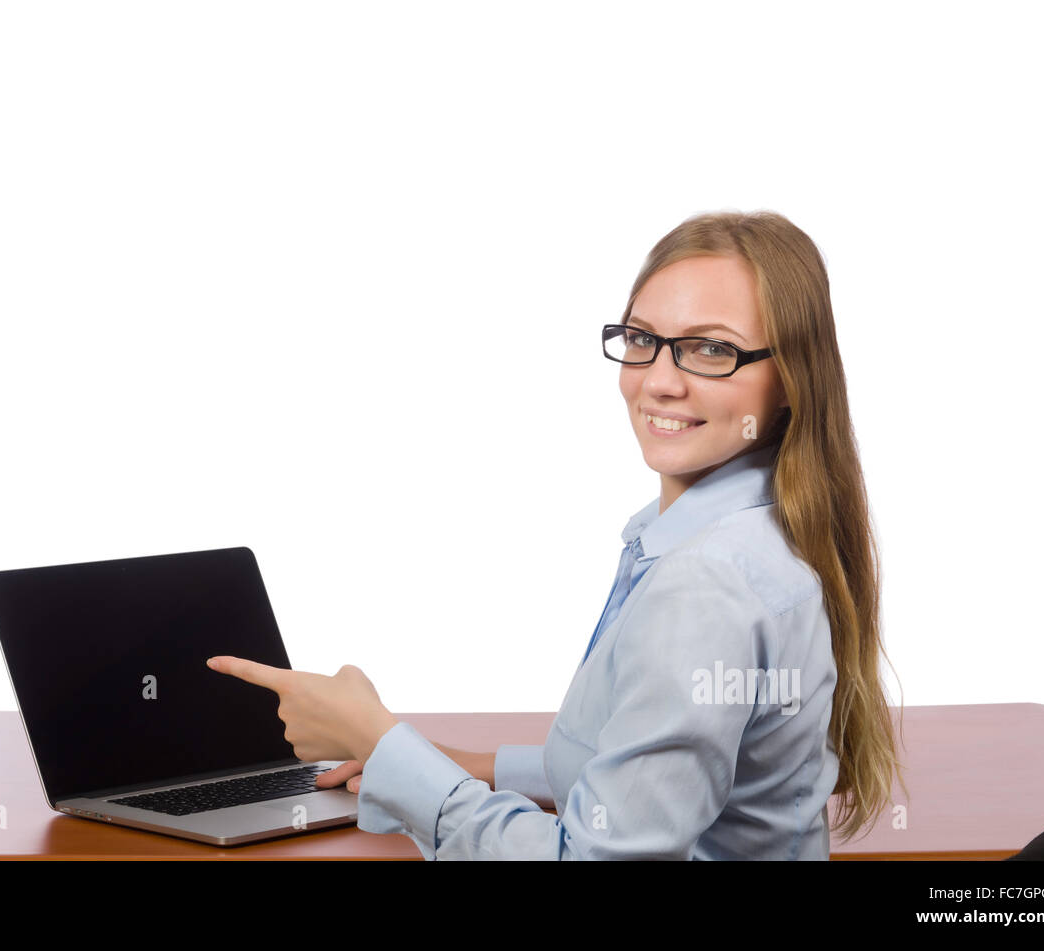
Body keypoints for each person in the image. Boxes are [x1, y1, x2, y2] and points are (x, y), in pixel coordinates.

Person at [207, 209, 905, 859]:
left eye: (708, 349)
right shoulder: (745, 535)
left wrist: (381, 742)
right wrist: (433, 756)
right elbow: (627, 770)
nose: (659, 381)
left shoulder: (708, 582)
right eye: (642, 340)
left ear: (790, 378)